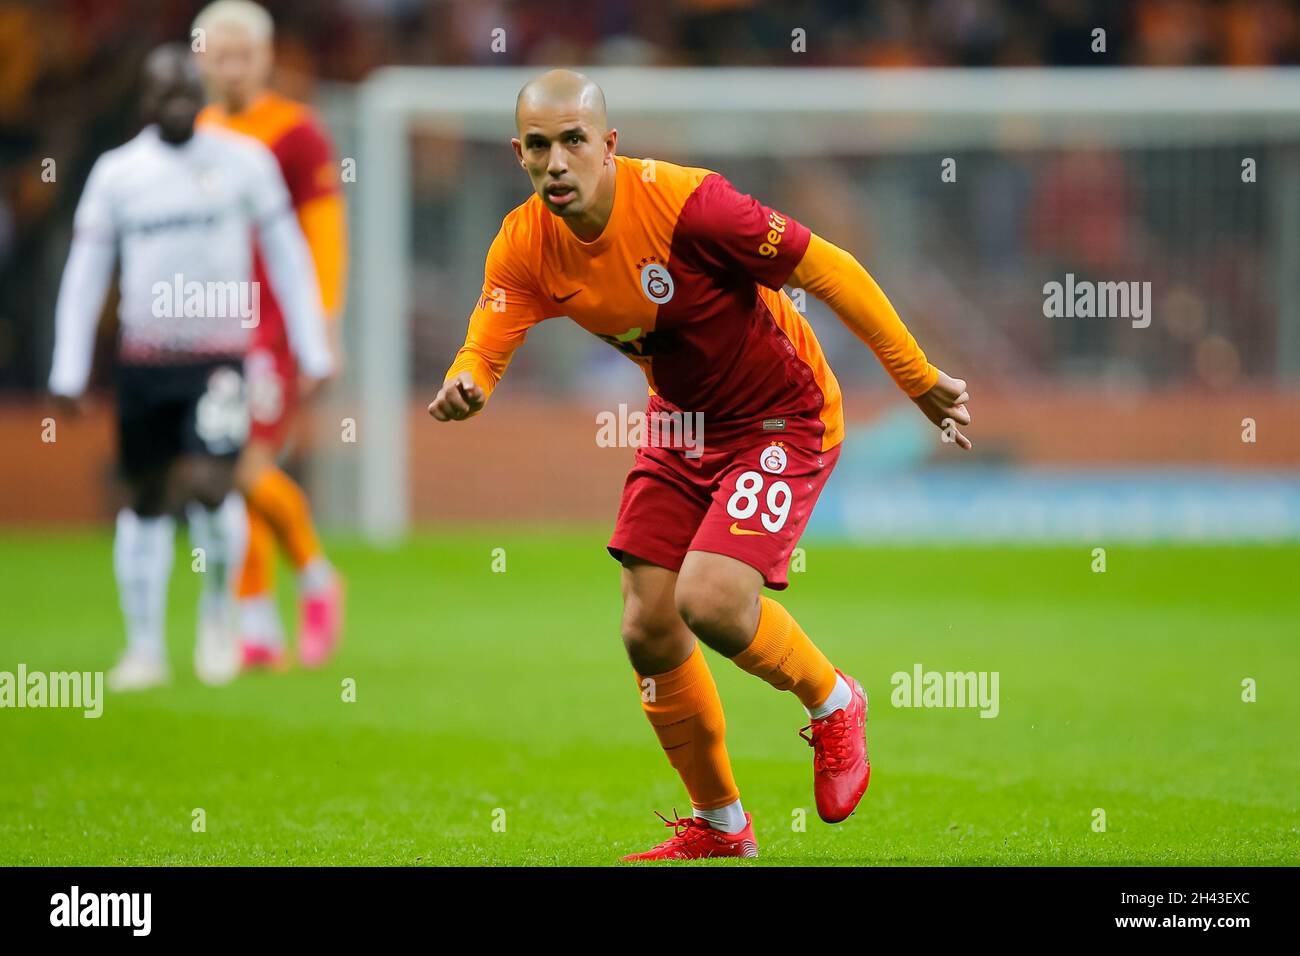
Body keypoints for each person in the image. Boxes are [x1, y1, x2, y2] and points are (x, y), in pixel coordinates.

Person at [428, 69, 971, 861]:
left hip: (783, 415)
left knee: (711, 600)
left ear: (608, 145)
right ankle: (723, 829)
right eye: (538, 146)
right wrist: (471, 381)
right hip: (683, 425)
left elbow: (832, 269)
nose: (556, 161)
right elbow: (491, 332)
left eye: (573, 140)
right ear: (519, 153)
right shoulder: (525, 243)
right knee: (648, 627)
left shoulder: (692, 206)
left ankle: (834, 701)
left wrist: (918, 378)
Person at [48, 45, 334, 691]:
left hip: (219, 361)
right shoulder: (119, 174)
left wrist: (313, 346)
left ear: (199, 95)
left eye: (186, 94)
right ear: (145, 102)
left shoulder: (243, 163)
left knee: (212, 485)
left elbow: (287, 252)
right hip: (145, 360)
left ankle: (217, 617)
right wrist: (68, 368)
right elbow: (87, 271)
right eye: (163, 95)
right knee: (146, 498)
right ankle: (144, 647)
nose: (176, 105)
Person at [192, 0, 347, 670]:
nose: (229, 67)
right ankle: (257, 624)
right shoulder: (193, 128)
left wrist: (325, 324)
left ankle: (315, 578)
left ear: (265, 56)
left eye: (241, 54)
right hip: (204, 323)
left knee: (243, 467)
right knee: (220, 474)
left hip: (274, 328)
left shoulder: (295, 131)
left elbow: (324, 232)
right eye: (216, 54)